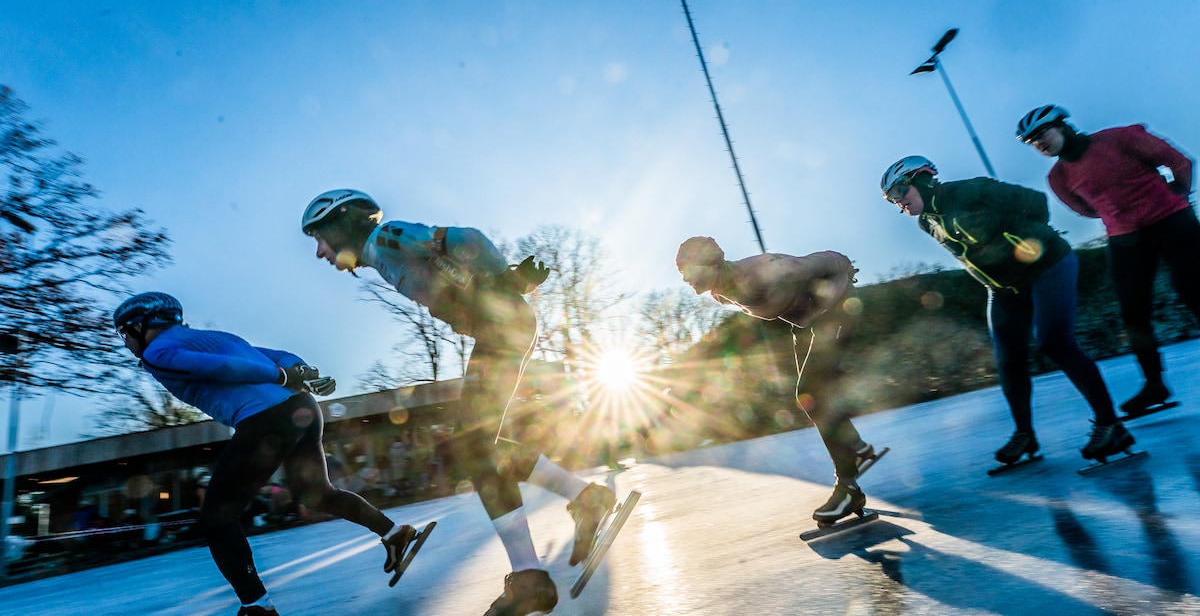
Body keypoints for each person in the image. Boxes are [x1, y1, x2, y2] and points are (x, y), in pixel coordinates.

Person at [301, 189, 615, 616]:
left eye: (319, 238)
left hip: (503, 329)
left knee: (473, 447)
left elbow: (468, 239)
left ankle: (530, 577)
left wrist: (504, 279)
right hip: (501, 330)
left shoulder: (389, 238)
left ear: (341, 225)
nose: (319, 252)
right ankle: (584, 498)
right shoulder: (381, 256)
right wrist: (501, 285)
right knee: (481, 446)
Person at [113, 292, 421, 616]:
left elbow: (220, 367)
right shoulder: (215, 337)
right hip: (302, 408)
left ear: (140, 325)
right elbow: (276, 355)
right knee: (317, 494)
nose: (125, 342)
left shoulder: (157, 351)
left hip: (265, 419)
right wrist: (302, 371)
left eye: (123, 333)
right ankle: (394, 533)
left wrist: (281, 376)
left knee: (217, 517)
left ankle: (257, 607)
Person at [879, 156, 1133, 467]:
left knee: (1054, 341)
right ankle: (1024, 435)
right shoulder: (926, 223)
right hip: (1003, 290)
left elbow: (1036, 202)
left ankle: (1111, 425)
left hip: (1047, 266)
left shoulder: (972, 190)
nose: (898, 202)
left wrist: (1027, 243)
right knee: (1007, 360)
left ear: (922, 179)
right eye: (891, 199)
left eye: (899, 192)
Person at [675, 236, 882, 525]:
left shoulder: (762, 272)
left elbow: (811, 263)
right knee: (809, 398)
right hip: (808, 322)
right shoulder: (720, 293)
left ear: (710, 263)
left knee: (811, 393)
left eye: (687, 269)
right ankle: (854, 455)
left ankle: (849, 483)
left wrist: (844, 264)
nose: (684, 278)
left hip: (838, 306)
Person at [1017, 105, 1200, 415]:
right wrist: (1118, 216)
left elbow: (1178, 161)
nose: (1039, 143)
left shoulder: (1119, 138)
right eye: (1032, 141)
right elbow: (1085, 210)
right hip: (1125, 239)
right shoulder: (1058, 177)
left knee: (1194, 292)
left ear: (1062, 126)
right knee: (1133, 313)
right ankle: (1154, 385)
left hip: (1172, 221)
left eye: (1042, 133)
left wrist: (1180, 191)